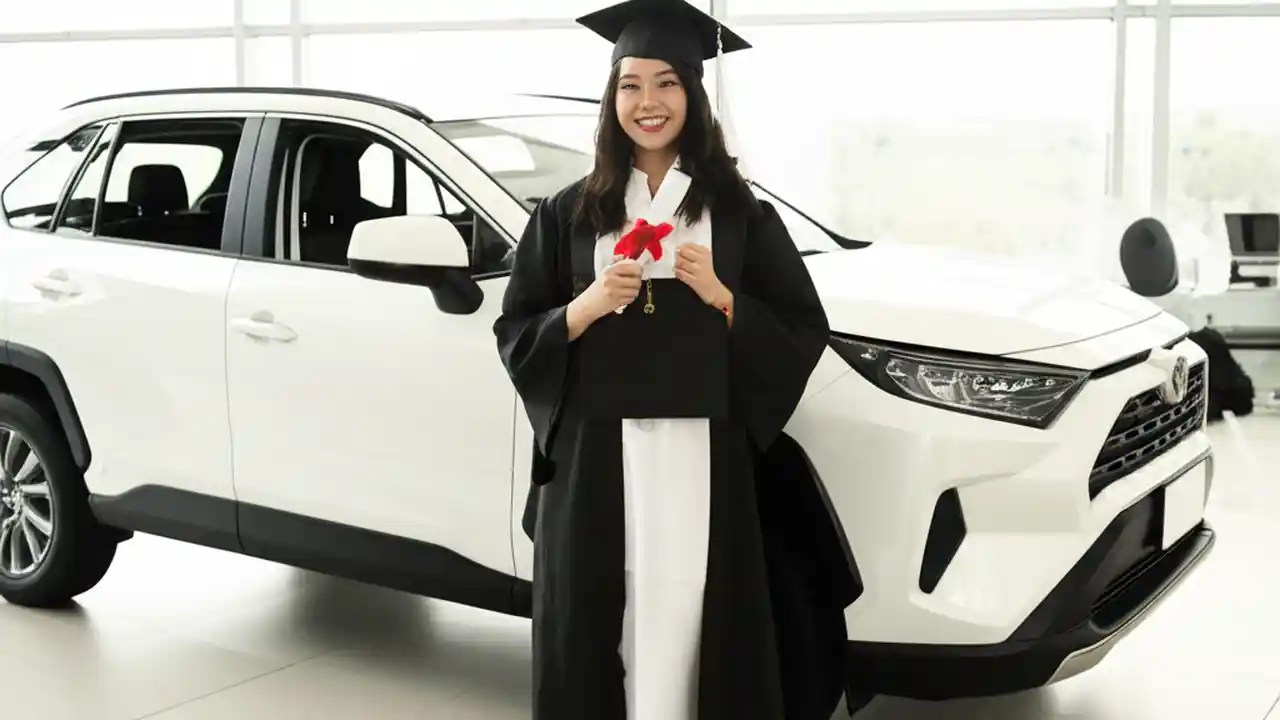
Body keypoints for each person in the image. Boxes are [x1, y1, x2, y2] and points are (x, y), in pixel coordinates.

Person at [493, 0, 847, 717]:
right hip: (597, 459)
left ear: (693, 93)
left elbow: (802, 327)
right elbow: (515, 331)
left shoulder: (742, 214)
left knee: (693, 606)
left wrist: (724, 299)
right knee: (603, 610)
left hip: (701, 455)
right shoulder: (568, 213)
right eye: (631, 84)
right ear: (610, 98)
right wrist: (586, 306)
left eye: (666, 83)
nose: (647, 103)